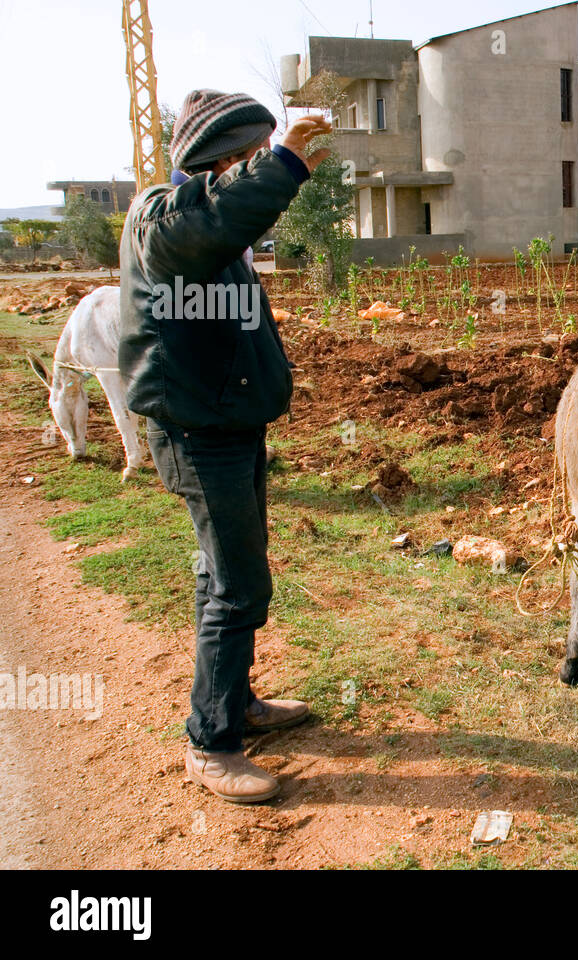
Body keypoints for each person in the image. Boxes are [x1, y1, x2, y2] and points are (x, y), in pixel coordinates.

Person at [118, 89, 332, 803]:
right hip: (195, 432)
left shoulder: (211, 230)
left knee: (226, 576)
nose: (253, 170)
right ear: (218, 160)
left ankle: (234, 703)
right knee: (239, 586)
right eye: (246, 156)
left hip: (229, 424)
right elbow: (224, 210)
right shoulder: (166, 217)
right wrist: (286, 163)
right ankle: (210, 746)